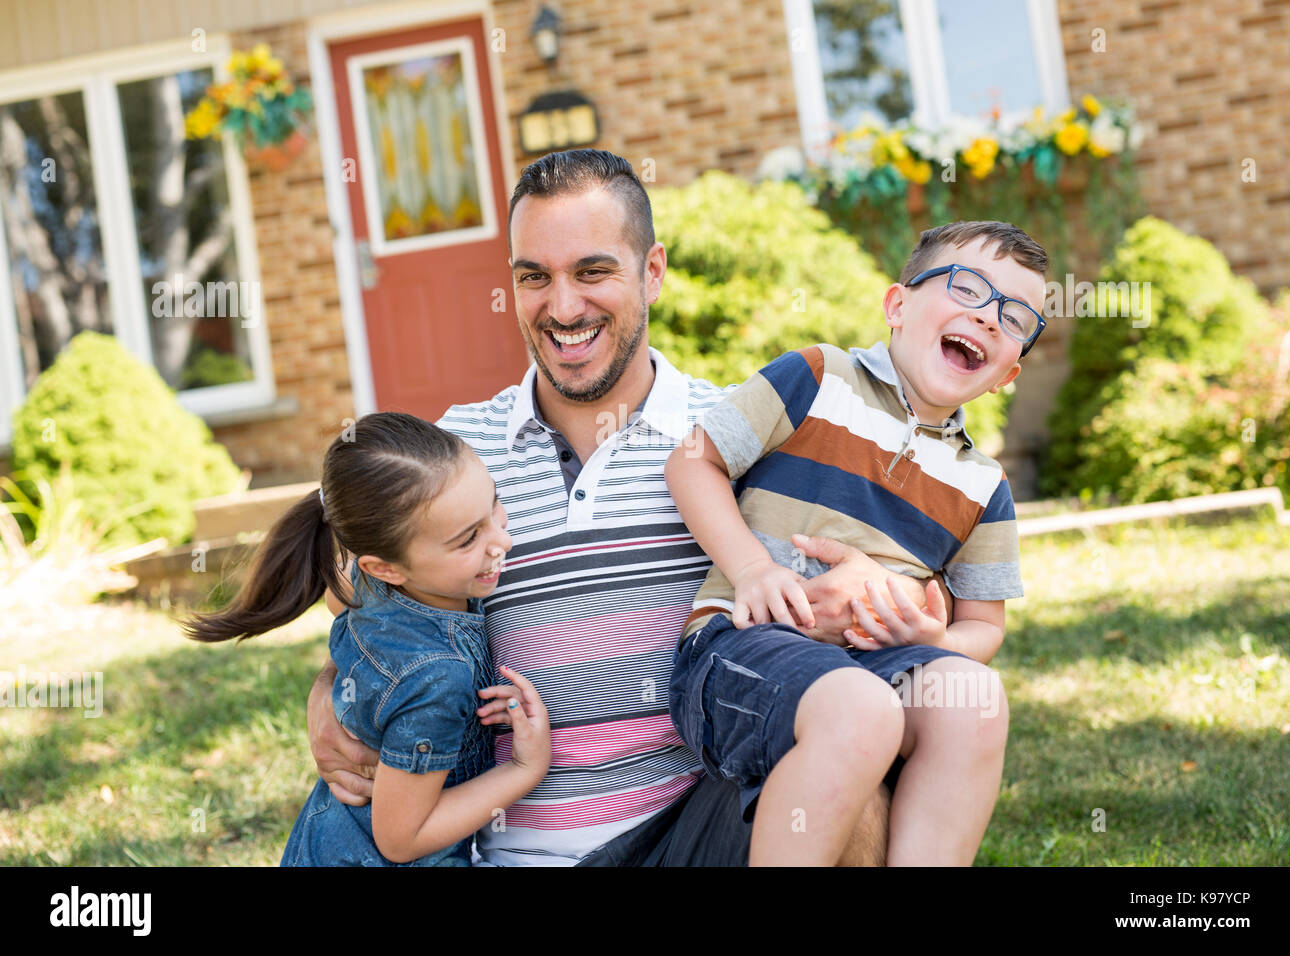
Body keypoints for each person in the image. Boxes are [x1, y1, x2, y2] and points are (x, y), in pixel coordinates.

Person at [308, 149, 949, 866]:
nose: (562, 307)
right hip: (516, 850)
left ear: (652, 273)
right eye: (533, 278)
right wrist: (330, 691)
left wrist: (876, 592)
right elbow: (377, 610)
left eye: (592, 272)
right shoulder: (456, 455)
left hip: (699, 831)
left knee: (849, 776)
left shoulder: (737, 438)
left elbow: (853, 590)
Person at [663, 220, 1046, 865]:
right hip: (743, 644)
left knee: (974, 699)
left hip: (879, 664)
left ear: (1009, 372)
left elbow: (985, 625)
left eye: (1015, 317)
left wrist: (936, 642)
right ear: (897, 305)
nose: (987, 319)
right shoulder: (819, 377)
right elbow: (691, 463)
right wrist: (753, 569)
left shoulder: (984, 485)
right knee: (860, 709)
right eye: (969, 289)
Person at [185, 412, 550, 865]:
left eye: (493, 507)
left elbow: (341, 592)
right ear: (386, 568)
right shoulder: (437, 677)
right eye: (467, 540)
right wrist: (523, 769)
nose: (502, 542)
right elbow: (402, 837)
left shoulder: (367, 583)